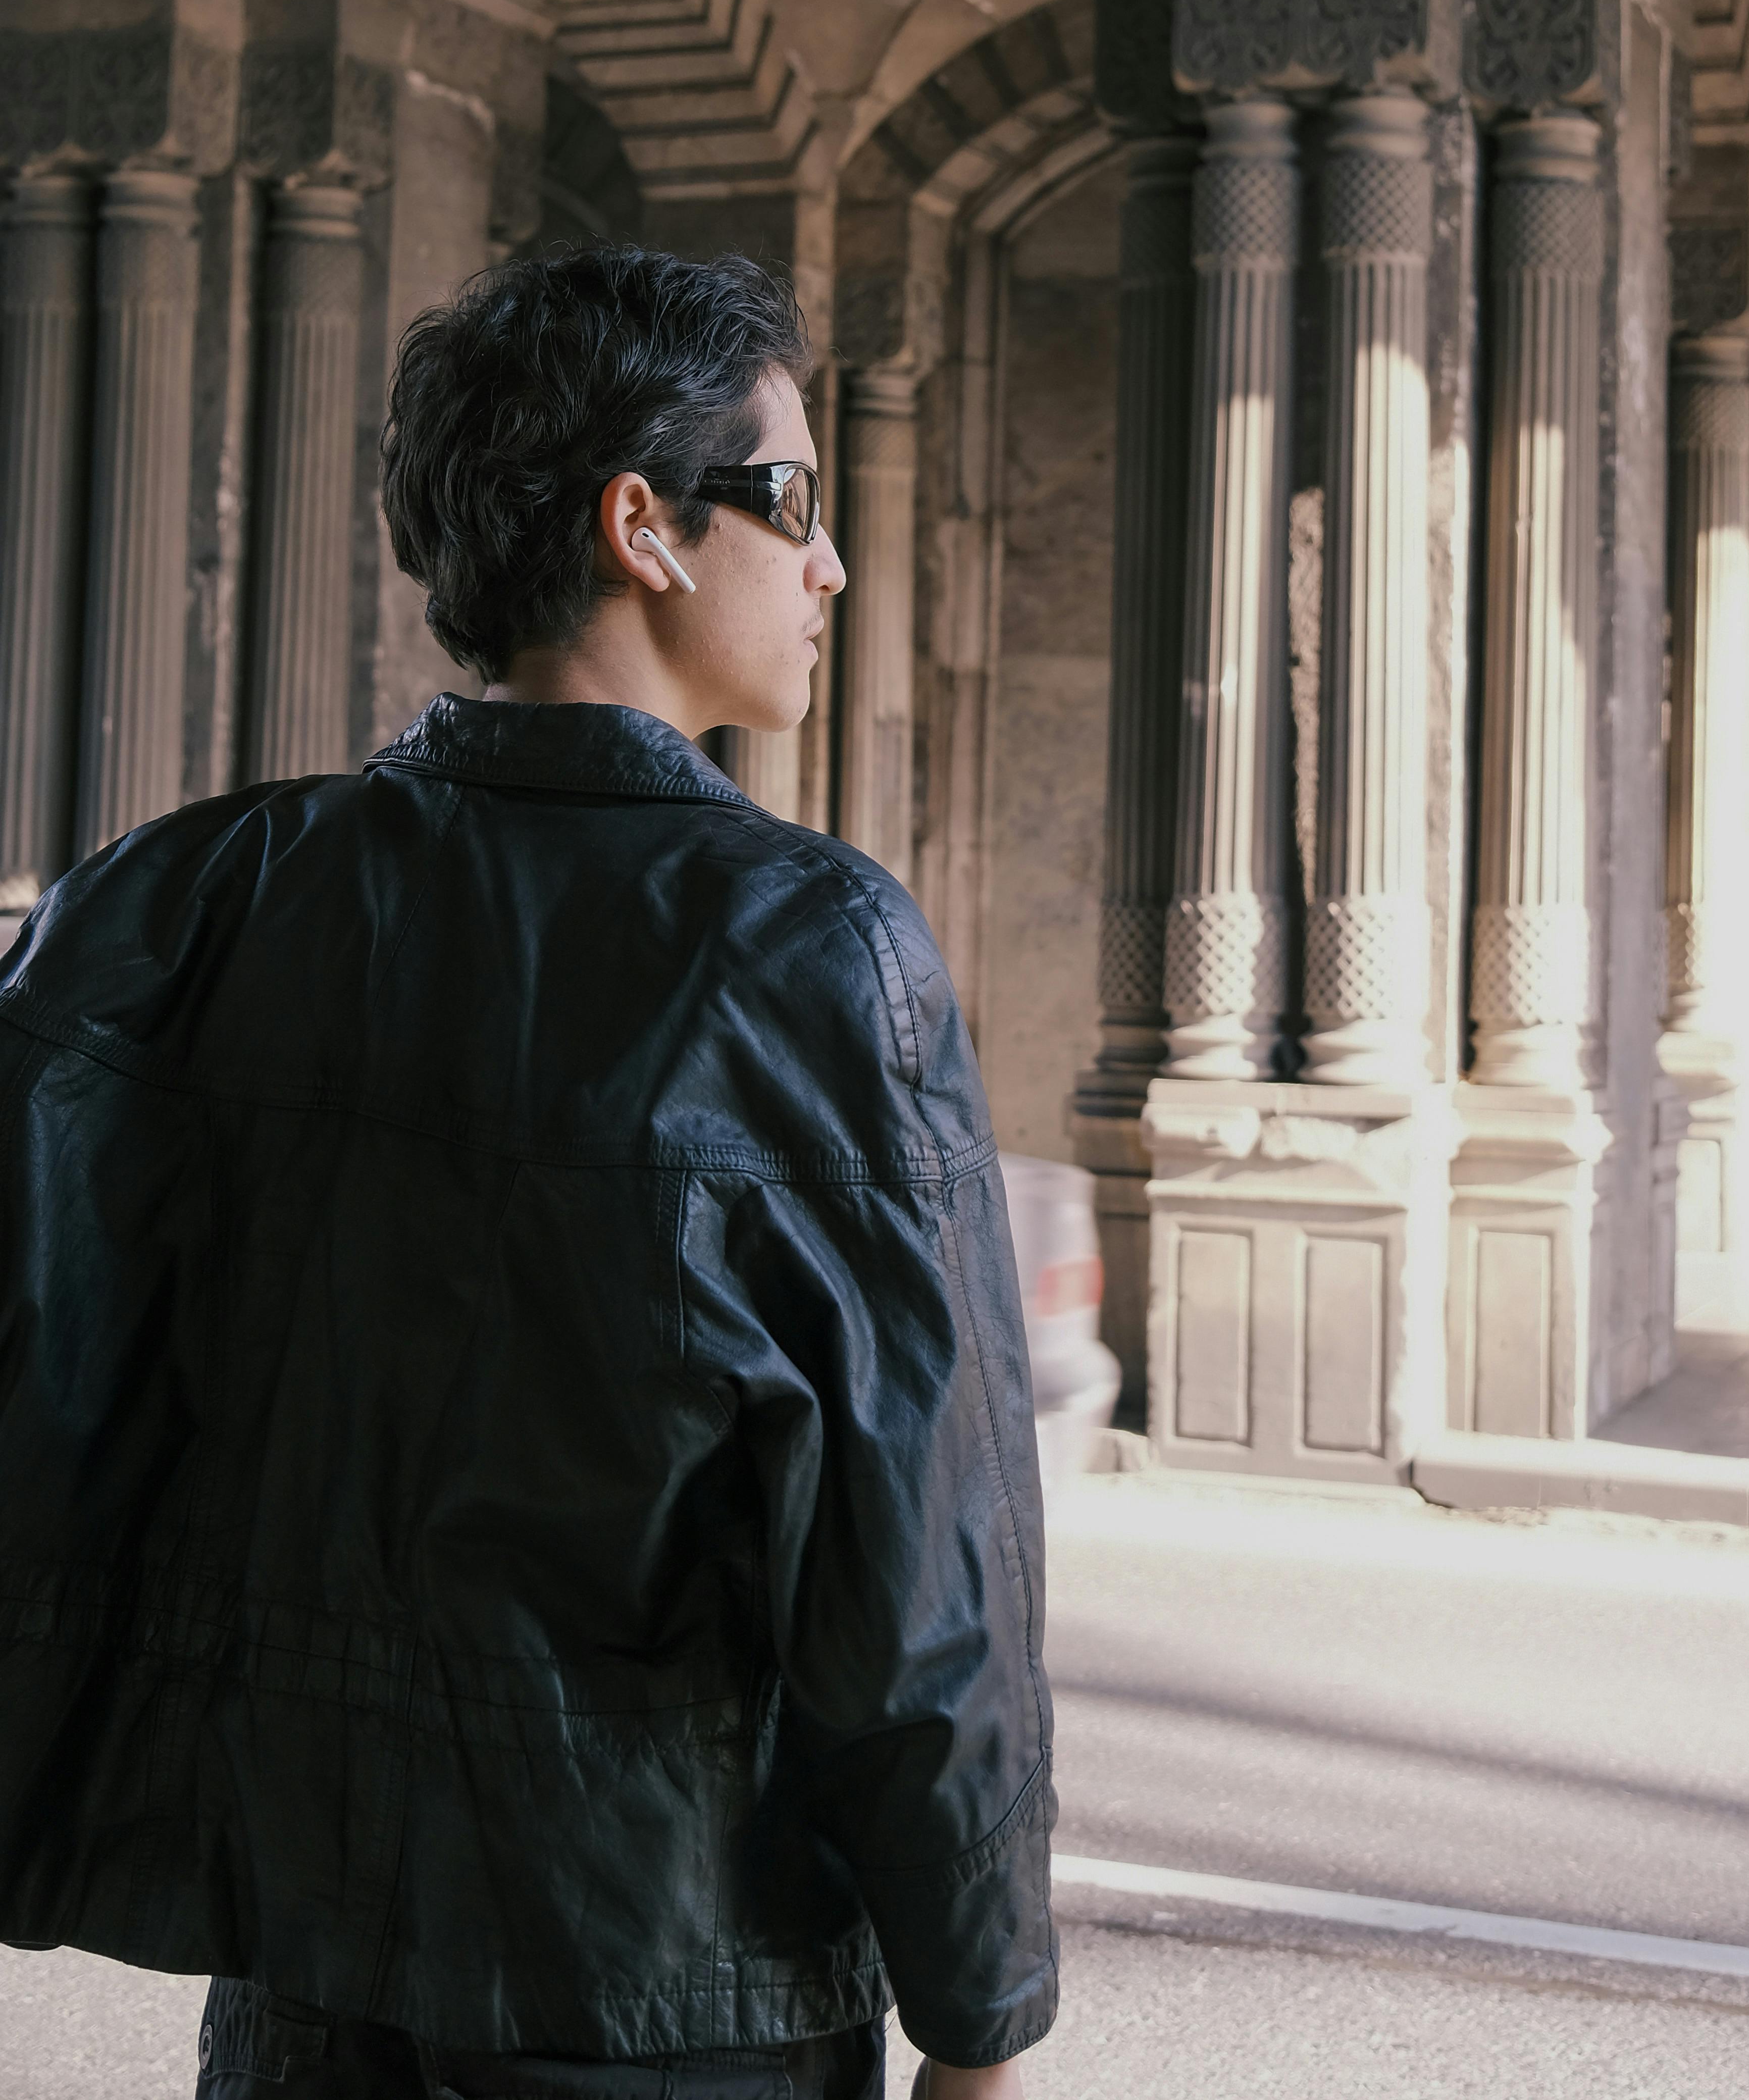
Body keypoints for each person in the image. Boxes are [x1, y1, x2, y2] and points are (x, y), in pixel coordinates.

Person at [0, 246, 1056, 2100]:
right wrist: (980, 2030)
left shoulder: (187, 901)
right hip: (672, 1996)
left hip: (304, 1995)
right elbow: (914, 1586)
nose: (825, 564)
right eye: (792, 501)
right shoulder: (813, 957)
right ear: (641, 524)